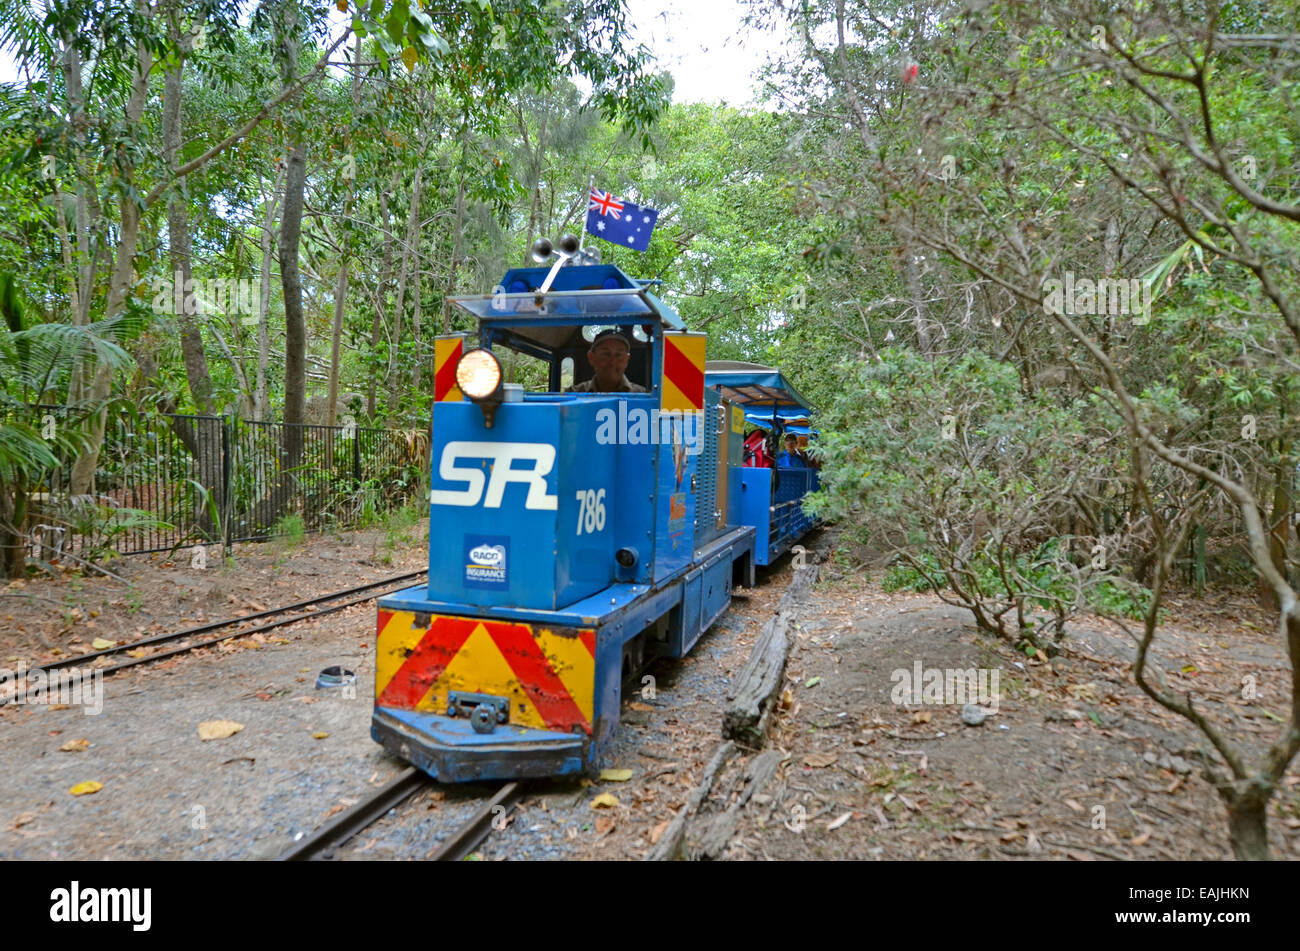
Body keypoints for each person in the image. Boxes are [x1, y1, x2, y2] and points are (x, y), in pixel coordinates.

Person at [567, 328, 647, 393]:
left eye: (618, 355)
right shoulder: (573, 394)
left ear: (627, 360)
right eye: (606, 354)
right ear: (591, 358)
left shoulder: (643, 395)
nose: (612, 362)